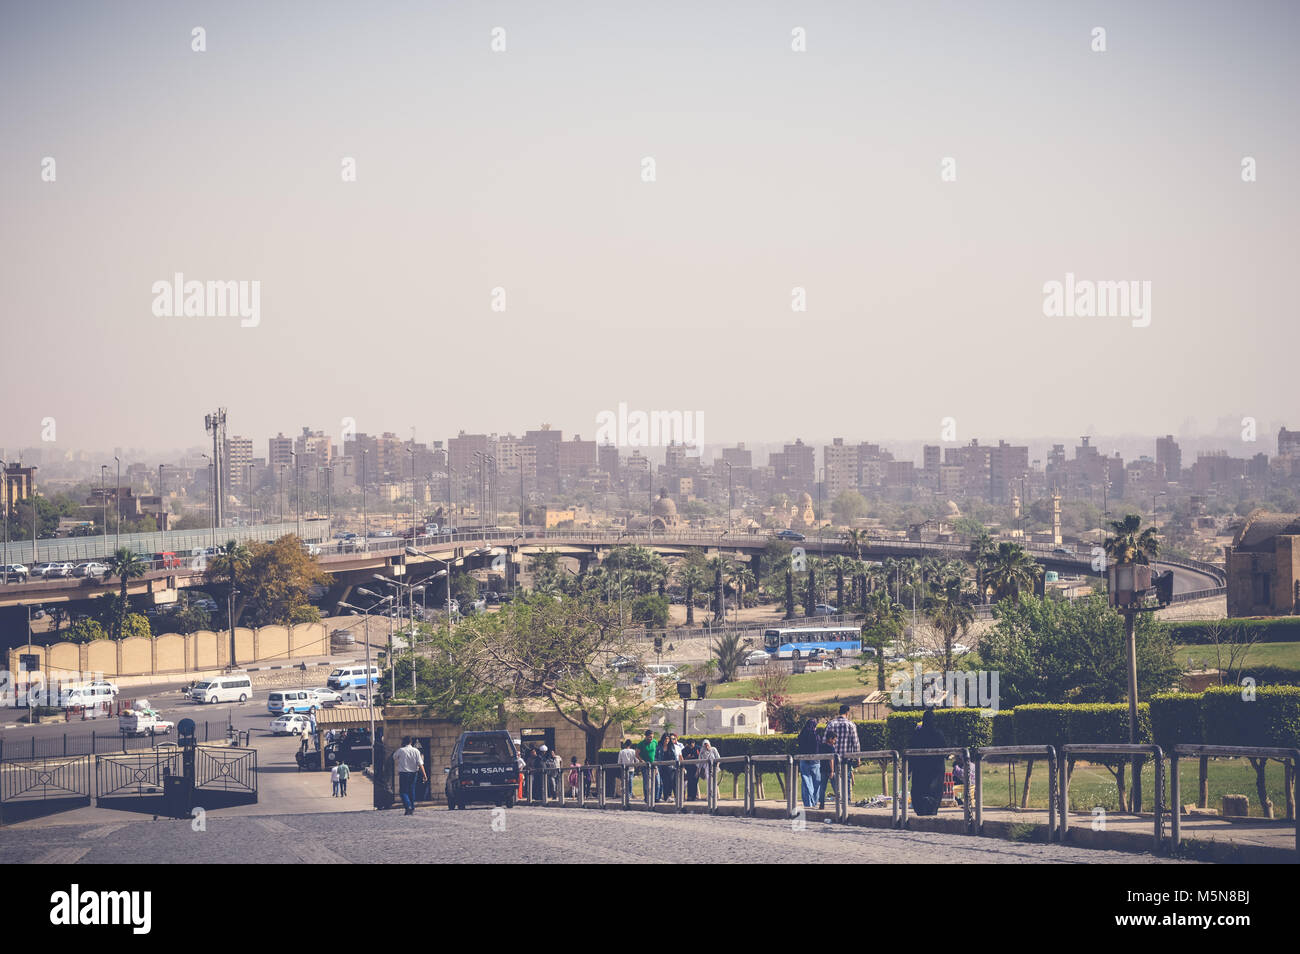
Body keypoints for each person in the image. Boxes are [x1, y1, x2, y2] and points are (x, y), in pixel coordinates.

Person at [909, 707, 948, 816]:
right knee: (934, 794)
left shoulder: (917, 734)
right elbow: (945, 751)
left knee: (919, 792)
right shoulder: (938, 735)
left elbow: (910, 752)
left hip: (920, 771)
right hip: (935, 772)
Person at [824, 704, 861, 803]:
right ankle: (847, 800)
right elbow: (855, 743)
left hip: (832, 758)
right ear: (847, 712)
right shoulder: (851, 725)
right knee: (846, 779)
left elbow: (825, 741)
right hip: (846, 758)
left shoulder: (831, 724)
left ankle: (839, 797)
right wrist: (858, 758)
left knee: (835, 780)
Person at [393, 736, 426, 815]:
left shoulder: (401, 750)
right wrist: (424, 775)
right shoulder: (416, 751)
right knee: (411, 790)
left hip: (404, 773)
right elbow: (420, 764)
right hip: (414, 773)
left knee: (403, 791)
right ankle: (412, 806)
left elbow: (394, 757)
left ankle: (408, 806)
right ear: (411, 742)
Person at [796, 718, 822, 809]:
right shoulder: (816, 736)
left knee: (806, 782)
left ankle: (807, 803)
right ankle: (814, 801)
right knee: (817, 783)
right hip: (815, 761)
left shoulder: (802, 735)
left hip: (803, 760)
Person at [638, 730, 659, 801]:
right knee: (646, 782)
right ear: (646, 736)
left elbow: (657, 751)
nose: (651, 739)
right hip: (645, 765)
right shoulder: (641, 744)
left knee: (657, 781)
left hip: (654, 764)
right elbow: (636, 754)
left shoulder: (655, 742)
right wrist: (642, 760)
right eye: (650, 737)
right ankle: (647, 798)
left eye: (652, 737)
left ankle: (656, 798)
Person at [656, 731, 677, 801]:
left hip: (671, 767)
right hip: (662, 767)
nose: (666, 740)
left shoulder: (671, 746)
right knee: (664, 782)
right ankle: (665, 796)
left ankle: (669, 796)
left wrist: (675, 765)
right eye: (665, 739)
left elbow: (674, 757)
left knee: (671, 781)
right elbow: (656, 757)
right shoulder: (659, 747)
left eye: (668, 739)